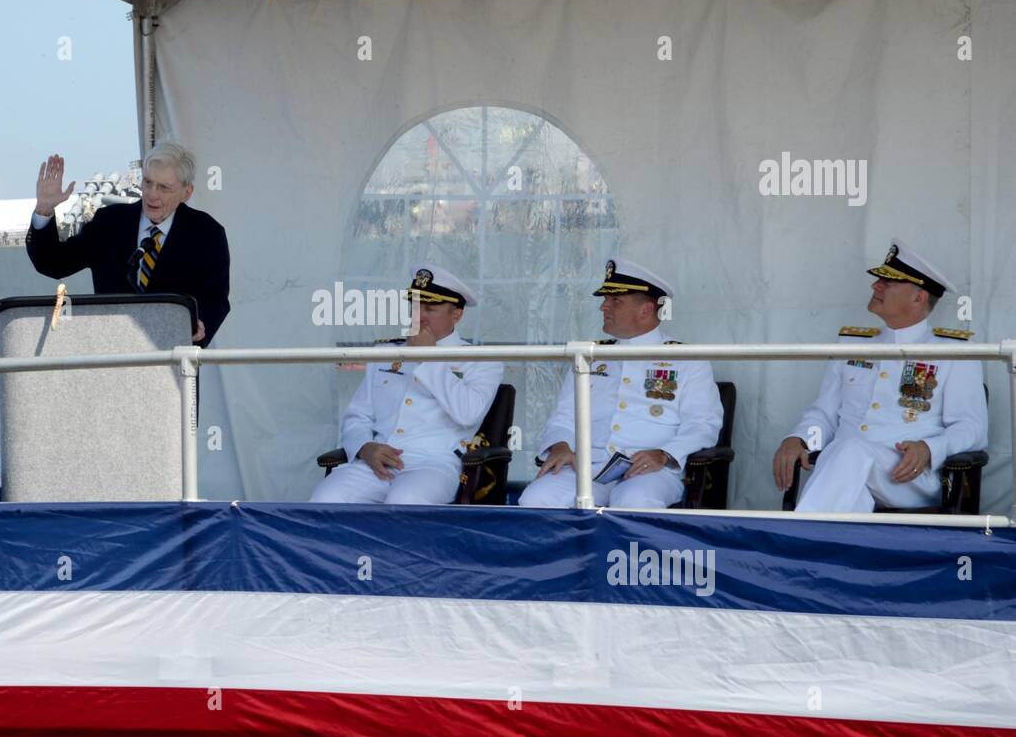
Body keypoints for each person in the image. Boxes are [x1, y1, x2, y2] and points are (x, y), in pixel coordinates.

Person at [773, 239, 987, 512]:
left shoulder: (954, 352)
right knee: (851, 481)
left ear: (919, 297)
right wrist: (800, 438)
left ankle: (794, 541)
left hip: (906, 475)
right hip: (845, 470)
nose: (875, 286)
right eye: (878, 280)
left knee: (849, 451)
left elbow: (972, 428)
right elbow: (824, 413)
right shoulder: (852, 344)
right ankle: (820, 548)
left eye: (887, 282)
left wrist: (930, 448)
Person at [519, 258, 723, 509]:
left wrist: (664, 454)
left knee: (634, 501)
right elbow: (563, 416)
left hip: (650, 471)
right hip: (586, 466)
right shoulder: (590, 356)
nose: (603, 307)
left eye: (615, 301)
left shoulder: (686, 359)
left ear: (646, 310)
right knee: (535, 499)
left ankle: (626, 552)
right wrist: (560, 445)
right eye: (605, 299)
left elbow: (703, 424)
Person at [311, 265, 504, 505]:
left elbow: (468, 414)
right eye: (414, 306)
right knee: (326, 499)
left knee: (405, 502)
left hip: (433, 464)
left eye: (430, 309)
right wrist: (364, 447)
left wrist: (428, 356)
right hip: (377, 461)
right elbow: (357, 416)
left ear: (456, 315)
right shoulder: (386, 352)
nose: (418, 316)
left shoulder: (481, 360)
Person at [26, 142, 230, 347]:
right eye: (148, 182)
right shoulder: (109, 223)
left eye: (164, 187)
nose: (152, 194)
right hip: (113, 355)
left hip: (173, 358)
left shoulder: (207, 234)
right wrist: (44, 210)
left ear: (187, 192)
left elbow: (216, 299)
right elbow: (52, 263)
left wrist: (201, 323)